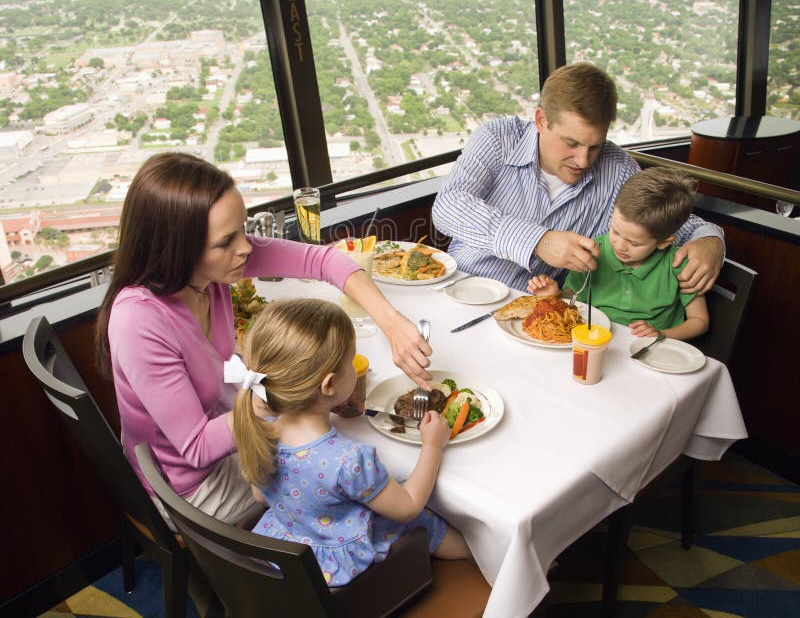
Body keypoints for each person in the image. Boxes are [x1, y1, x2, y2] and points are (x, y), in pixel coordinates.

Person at [95, 152, 431, 524]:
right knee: (360, 479)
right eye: (226, 241)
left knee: (349, 450)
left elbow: (325, 261)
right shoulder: (137, 321)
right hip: (192, 488)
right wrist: (295, 397)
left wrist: (393, 323)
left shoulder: (212, 269)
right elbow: (197, 448)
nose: (245, 247)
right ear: (177, 248)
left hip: (225, 434)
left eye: (242, 228)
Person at [431, 62, 724, 298]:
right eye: (571, 143)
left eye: (595, 146)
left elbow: (666, 223)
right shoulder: (498, 138)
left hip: (532, 318)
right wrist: (539, 241)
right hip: (459, 292)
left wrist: (710, 240)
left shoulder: (618, 169)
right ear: (541, 121)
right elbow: (448, 207)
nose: (584, 161)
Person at [231, 298, 470, 586]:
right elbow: (408, 506)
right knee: (428, 522)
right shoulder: (349, 460)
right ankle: (479, 567)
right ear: (329, 385)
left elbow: (260, 496)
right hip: (335, 567)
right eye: (350, 361)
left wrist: (326, 406)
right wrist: (433, 446)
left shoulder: (259, 426)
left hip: (289, 544)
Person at [528, 168, 710, 341]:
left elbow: (699, 322)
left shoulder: (679, 265)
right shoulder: (592, 251)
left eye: (634, 243)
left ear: (663, 242)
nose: (620, 245)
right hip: (594, 342)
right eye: (615, 231)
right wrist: (556, 295)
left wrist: (661, 334)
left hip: (650, 351)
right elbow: (574, 301)